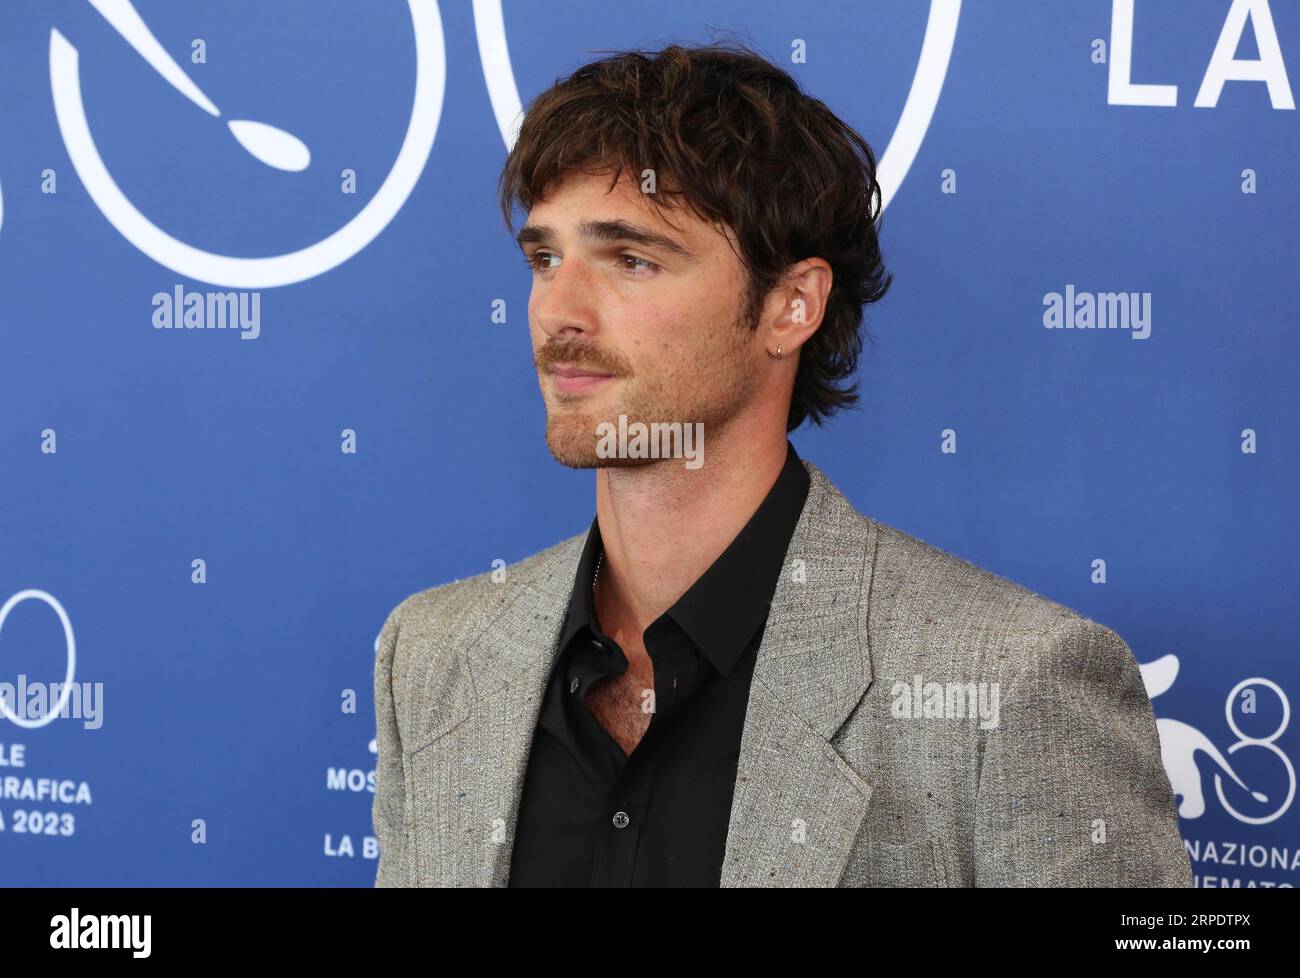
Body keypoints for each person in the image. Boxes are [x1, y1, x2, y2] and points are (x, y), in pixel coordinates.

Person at [372, 42, 1190, 887]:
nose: (558, 312)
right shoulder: (434, 654)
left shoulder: (1008, 686)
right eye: (545, 259)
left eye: (632, 260)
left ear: (791, 306)